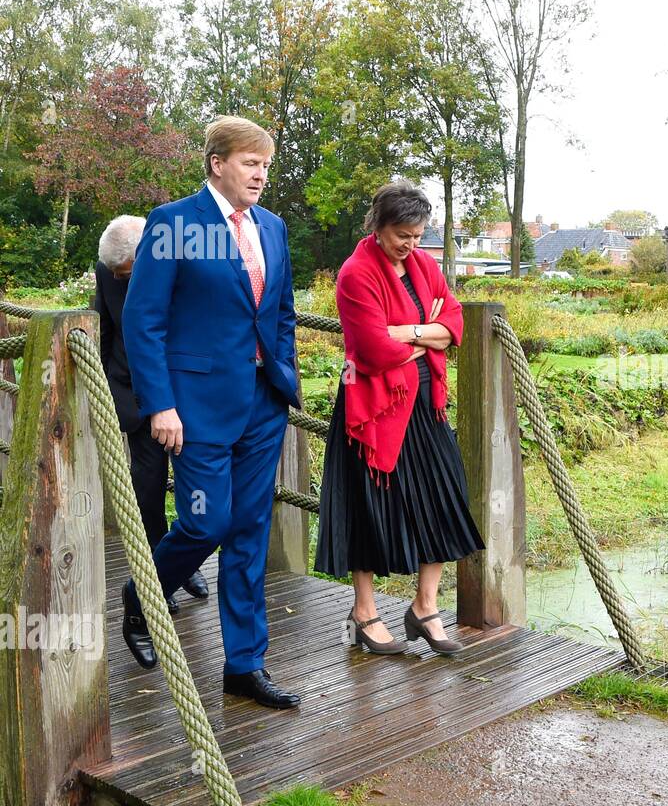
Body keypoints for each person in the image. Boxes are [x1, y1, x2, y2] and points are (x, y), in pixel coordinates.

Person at [120, 115, 303, 710]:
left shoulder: (272, 228)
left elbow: (280, 313)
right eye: (251, 163)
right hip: (194, 408)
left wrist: (285, 376)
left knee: (249, 532)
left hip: (262, 405)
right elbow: (143, 321)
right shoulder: (175, 223)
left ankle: (244, 665)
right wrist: (161, 405)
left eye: (267, 165)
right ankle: (142, 597)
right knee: (206, 522)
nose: (260, 174)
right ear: (217, 163)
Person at [314, 180, 485, 656]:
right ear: (378, 226)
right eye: (402, 234)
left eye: (418, 233)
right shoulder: (356, 274)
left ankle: (424, 607)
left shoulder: (425, 265)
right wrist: (423, 337)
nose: (411, 244)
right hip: (373, 409)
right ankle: (364, 612)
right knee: (370, 511)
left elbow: (454, 323)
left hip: (425, 406)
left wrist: (407, 332)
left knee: (445, 501)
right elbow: (372, 350)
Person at [94, 215, 209, 616]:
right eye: (113, 272)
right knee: (147, 488)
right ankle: (157, 575)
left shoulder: (185, 260)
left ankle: (183, 563)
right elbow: (105, 325)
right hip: (133, 395)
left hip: (184, 394)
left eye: (124, 272)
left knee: (196, 490)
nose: (117, 278)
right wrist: (107, 389)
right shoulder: (109, 265)